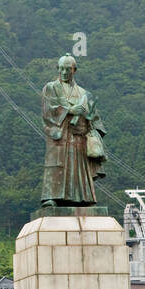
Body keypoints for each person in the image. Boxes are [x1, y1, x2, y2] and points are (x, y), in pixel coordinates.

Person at [40, 54, 107, 207]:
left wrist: (88, 116)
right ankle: (52, 197)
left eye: (67, 70)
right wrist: (70, 110)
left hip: (79, 137)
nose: (64, 73)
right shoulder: (50, 88)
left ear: (74, 70)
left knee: (78, 167)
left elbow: (95, 119)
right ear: (58, 69)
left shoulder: (84, 94)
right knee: (57, 166)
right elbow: (48, 111)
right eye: (61, 69)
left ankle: (82, 198)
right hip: (60, 137)